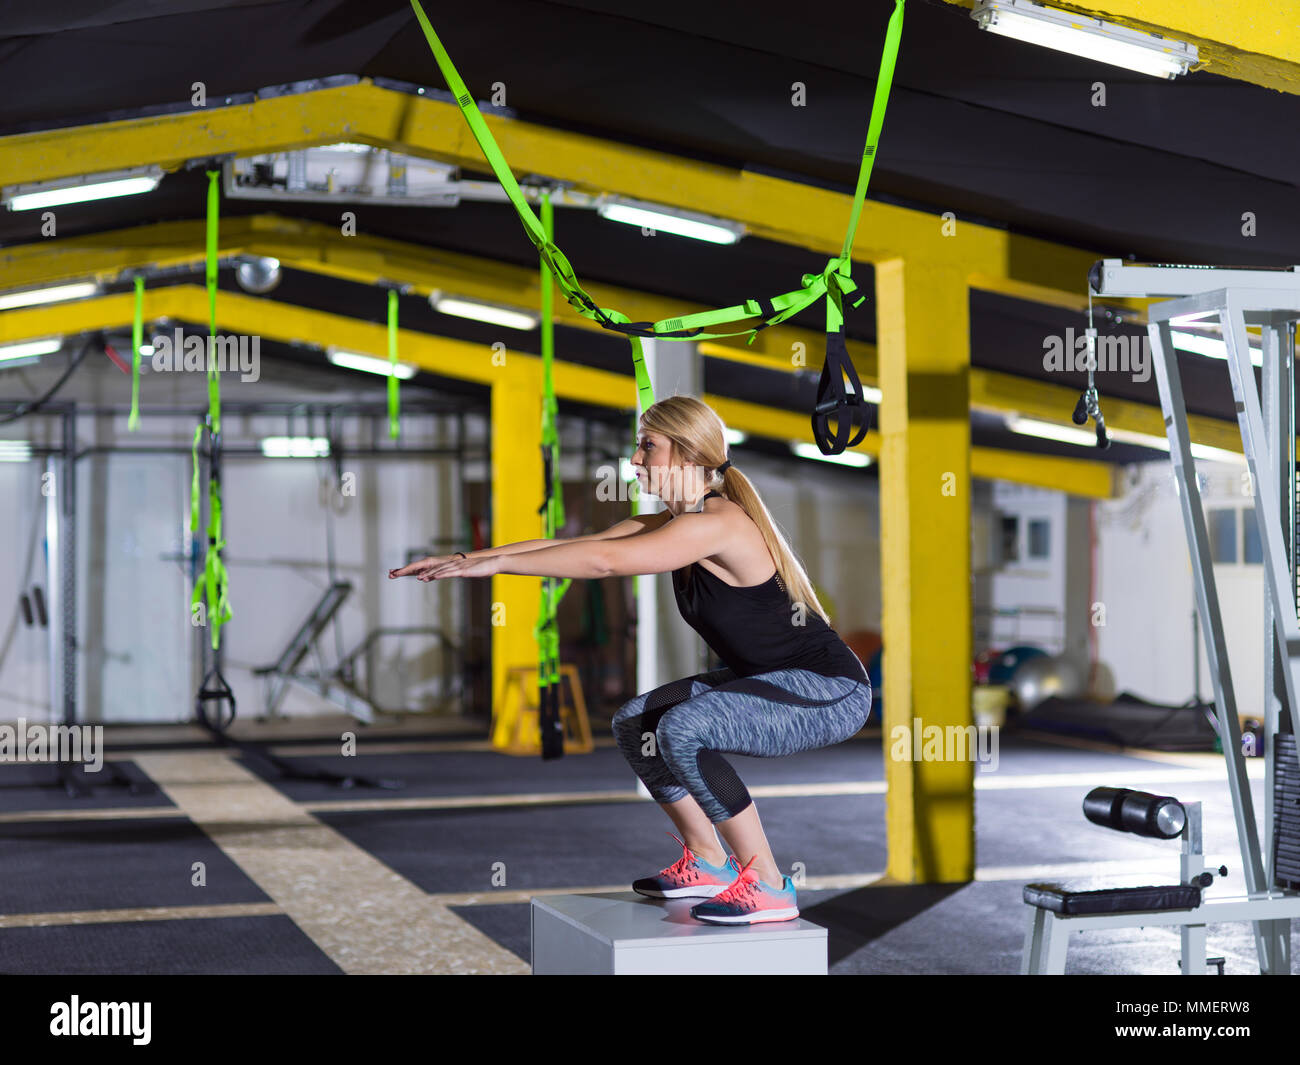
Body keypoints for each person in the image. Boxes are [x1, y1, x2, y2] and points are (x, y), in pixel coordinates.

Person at [389, 395, 871, 924]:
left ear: (688, 454)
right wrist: (469, 560)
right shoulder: (669, 522)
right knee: (636, 722)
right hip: (777, 680)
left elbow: (603, 562)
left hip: (829, 691)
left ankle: (768, 883)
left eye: (647, 447)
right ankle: (710, 862)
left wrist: (495, 566)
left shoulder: (719, 522)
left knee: (684, 729)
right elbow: (582, 543)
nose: (635, 460)